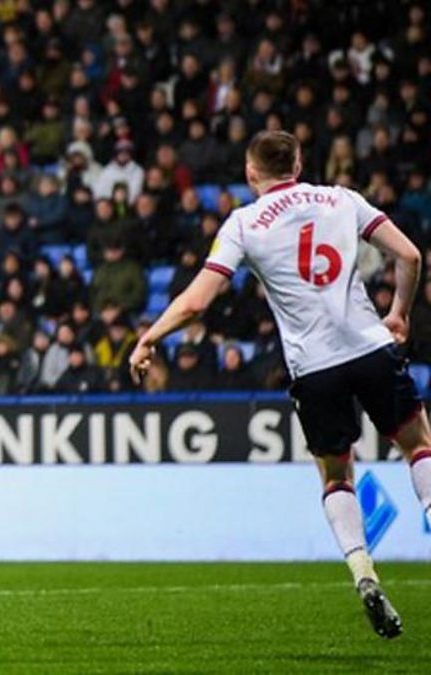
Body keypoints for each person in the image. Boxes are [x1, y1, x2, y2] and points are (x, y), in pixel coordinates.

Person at [130, 130, 431, 640]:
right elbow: (411, 256)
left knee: (337, 476)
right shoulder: (342, 198)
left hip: (314, 369)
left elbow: (197, 302)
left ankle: (363, 574)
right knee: (419, 446)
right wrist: (398, 313)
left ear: (251, 173)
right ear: (298, 164)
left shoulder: (243, 223)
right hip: (369, 346)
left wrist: (150, 337)